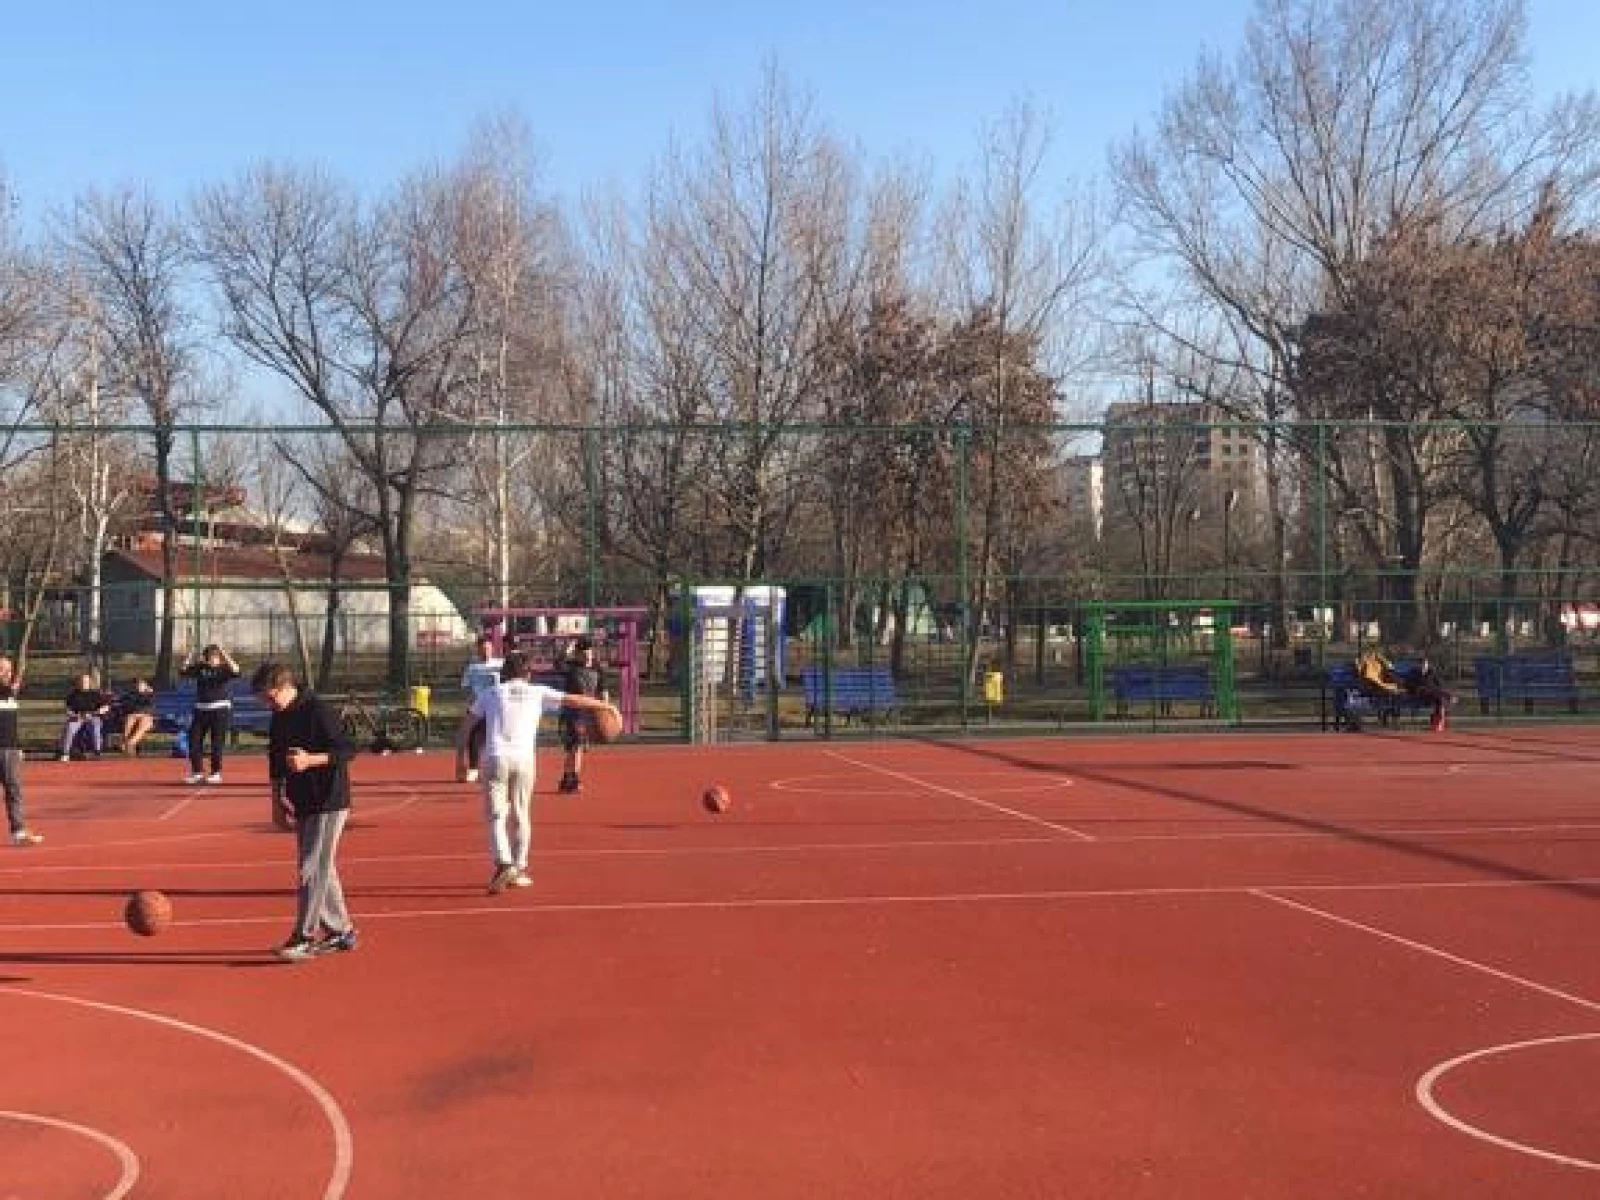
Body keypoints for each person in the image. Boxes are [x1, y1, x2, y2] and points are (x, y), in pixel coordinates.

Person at [456, 649, 619, 895]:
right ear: (528, 674)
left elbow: (467, 725)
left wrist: (461, 757)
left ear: (504, 673)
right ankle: (519, 868)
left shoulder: (491, 693)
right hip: (524, 760)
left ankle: (504, 864)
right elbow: (574, 700)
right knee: (522, 814)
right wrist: (606, 706)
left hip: (495, 757)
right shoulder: (537, 692)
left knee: (496, 816)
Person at [252, 661, 359, 962]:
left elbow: (348, 750)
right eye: (264, 700)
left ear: (287, 687)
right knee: (323, 868)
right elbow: (275, 761)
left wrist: (311, 760)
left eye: (271, 697)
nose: (268, 704)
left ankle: (305, 936)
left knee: (311, 868)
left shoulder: (319, 711)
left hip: (329, 801)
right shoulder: (280, 716)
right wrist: (275, 802)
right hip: (304, 801)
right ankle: (341, 931)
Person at [181, 643, 241, 784]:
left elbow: (236, 670)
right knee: (194, 741)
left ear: (218, 658)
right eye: (208, 657)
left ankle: (216, 773)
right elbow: (183, 671)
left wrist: (223, 652)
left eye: (214, 657)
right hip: (200, 710)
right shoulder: (200, 669)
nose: (211, 659)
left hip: (219, 710)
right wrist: (190, 654)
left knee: (216, 743)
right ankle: (197, 773)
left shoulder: (224, 669)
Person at [557, 637, 609, 794]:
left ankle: (566, 778)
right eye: (584, 652)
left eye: (590, 652)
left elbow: (603, 691)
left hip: (588, 714)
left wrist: (605, 709)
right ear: (578, 654)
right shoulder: (570, 668)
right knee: (577, 745)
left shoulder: (597, 669)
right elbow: (558, 663)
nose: (588, 655)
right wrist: (568, 648)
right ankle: (574, 778)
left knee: (575, 748)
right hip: (572, 713)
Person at [0, 657, 41, 846]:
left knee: (13, 790)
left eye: (9, 669)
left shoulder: (11, 694)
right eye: (2, 669)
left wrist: (17, 747)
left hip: (9, 749)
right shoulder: (7, 690)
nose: (7, 673)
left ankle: (18, 832)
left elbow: (10, 725)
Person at [458, 632, 503, 783]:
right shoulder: (472, 668)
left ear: (492, 649)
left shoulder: (500, 664)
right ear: (478, 650)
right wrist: (470, 704)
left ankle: (495, 769)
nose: (486, 651)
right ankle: (474, 769)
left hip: (495, 707)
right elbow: (466, 687)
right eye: (483, 649)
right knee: (473, 737)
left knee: (495, 738)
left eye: (488, 648)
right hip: (478, 707)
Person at [59, 672, 112, 761]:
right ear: (78, 683)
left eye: (86, 682)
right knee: (70, 728)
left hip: (93, 716)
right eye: (82, 682)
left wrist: (98, 712)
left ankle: (97, 752)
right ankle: (65, 753)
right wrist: (75, 715)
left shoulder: (95, 694)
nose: (84, 683)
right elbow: (67, 710)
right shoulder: (72, 695)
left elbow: (106, 707)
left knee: (96, 727)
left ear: (89, 683)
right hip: (78, 717)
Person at [1401, 654, 1454, 733]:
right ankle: (1448, 697)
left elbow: (1439, 684)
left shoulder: (1431, 672)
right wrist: (1415, 688)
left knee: (1439, 699)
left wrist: (1439, 690)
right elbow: (1407, 684)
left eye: (1425, 664)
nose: (1423, 666)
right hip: (1419, 694)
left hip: (1432, 694)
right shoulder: (1413, 673)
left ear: (1427, 665)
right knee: (1436, 694)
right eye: (1421, 664)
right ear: (1418, 665)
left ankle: (1437, 724)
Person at [110, 677, 157, 757]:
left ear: (146, 685)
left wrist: (140, 713)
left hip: (147, 718)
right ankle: (127, 743)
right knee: (130, 717)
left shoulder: (150, 695)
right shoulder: (130, 695)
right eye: (137, 685)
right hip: (133, 716)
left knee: (144, 720)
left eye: (141, 684)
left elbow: (150, 709)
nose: (138, 686)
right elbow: (122, 704)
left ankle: (128, 743)